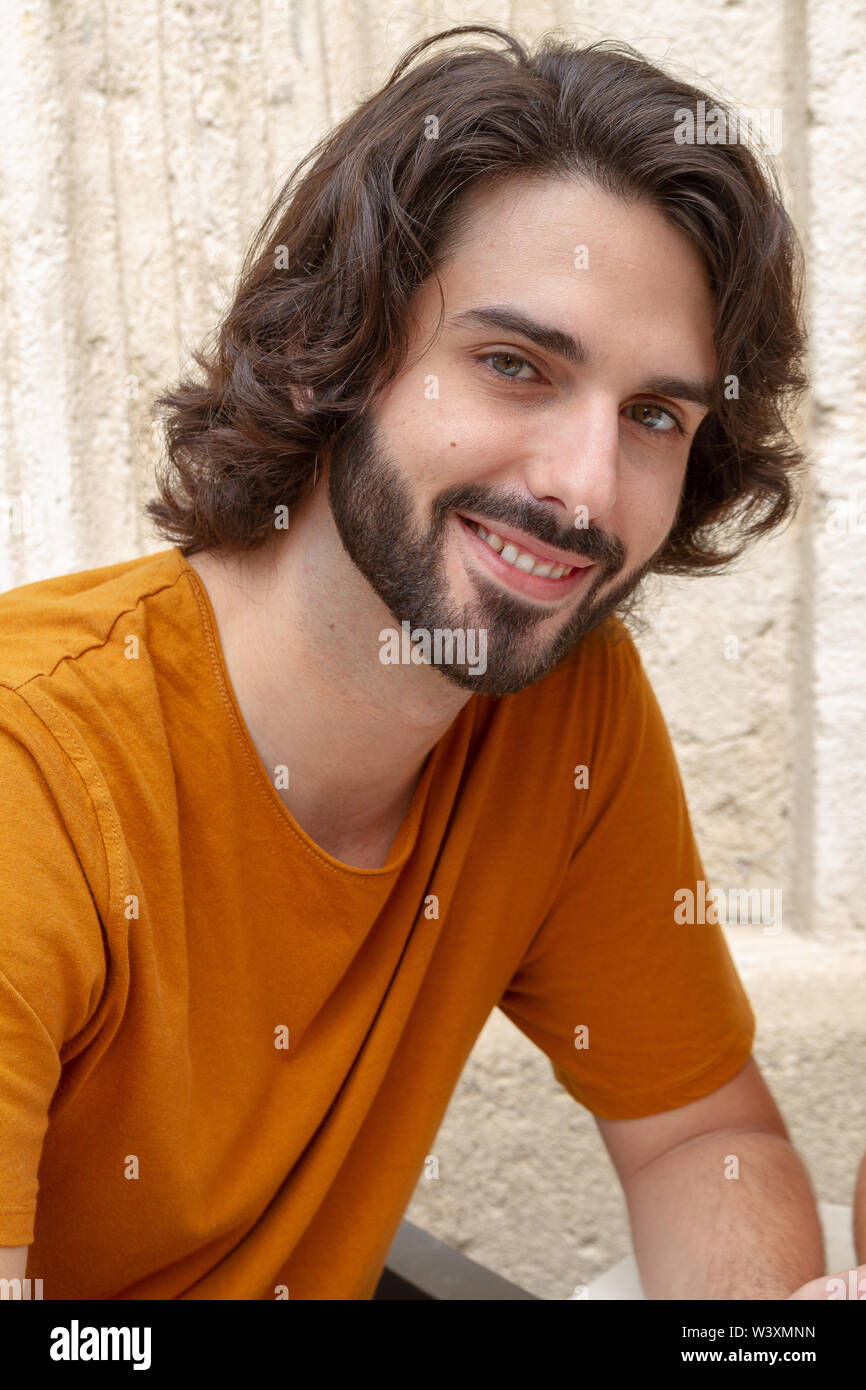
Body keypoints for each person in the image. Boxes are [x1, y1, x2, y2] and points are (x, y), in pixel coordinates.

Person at [0, 24, 830, 1299]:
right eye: (513, 366)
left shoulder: (566, 716)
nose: (581, 486)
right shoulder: (35, 780)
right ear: (342, 349)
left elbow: (701, 1140)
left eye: (652, 415)